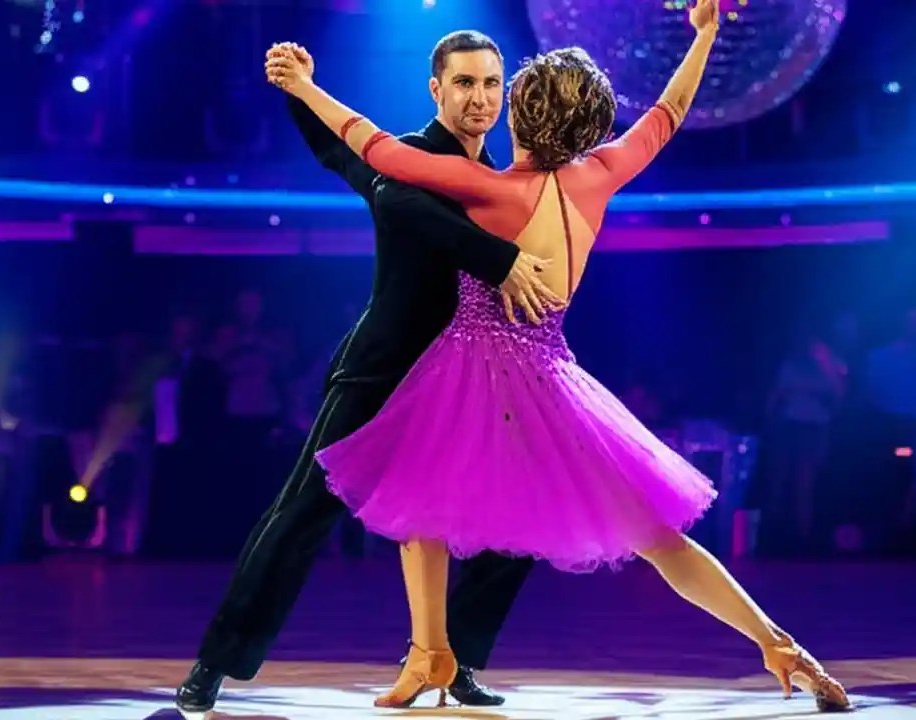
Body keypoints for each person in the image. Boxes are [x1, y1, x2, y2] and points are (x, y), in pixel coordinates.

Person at [266, 0, 850, 712]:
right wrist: (704, 35)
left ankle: (432, 654)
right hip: (552, 379)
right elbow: (666, 113)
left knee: (417, 502)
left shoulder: (488, 187)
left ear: (523, 115)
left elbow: (377, 150)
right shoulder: (600, 175)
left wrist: (303, 86)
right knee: (655, 536)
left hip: (469, 374)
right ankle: (779, 646)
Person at [175, 33, 564, 717]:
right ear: (435, 89)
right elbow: (378, 186)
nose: (481, 98)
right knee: (301, 513)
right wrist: (298, 91)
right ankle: (216, 661)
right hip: (384, 372)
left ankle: (457, 659)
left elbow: (341, 155)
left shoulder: (502, 177)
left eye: (491, 84)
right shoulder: (411, 160)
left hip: (471, 381)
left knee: (517, 516)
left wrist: (300, 93)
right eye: (466, 83)